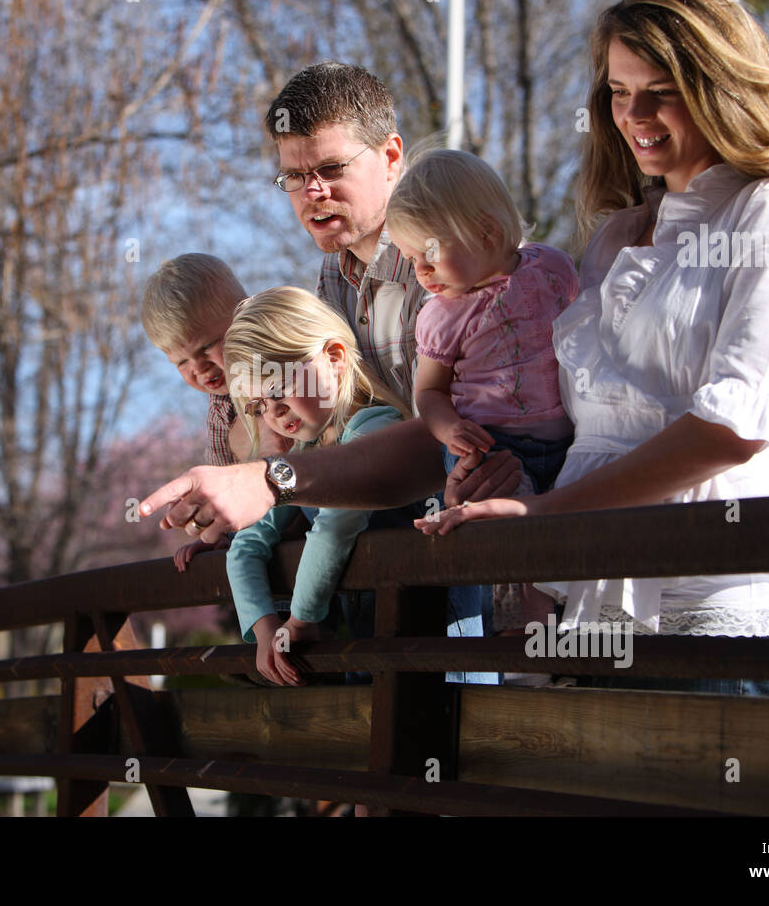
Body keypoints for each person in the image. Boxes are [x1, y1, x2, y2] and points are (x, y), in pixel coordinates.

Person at [415, 0, 769, 697]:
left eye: (662, 89)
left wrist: (545, 516)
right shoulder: (616, 236)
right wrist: (509, 473)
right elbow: (586, 422)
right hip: (588, 620)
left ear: (719, 87)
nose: (637, 115)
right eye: (618, 92)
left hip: (713, 619)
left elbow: (735, 425)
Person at [140, 64, 523, 556]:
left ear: (390, 156)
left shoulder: (456, 258)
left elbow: (467, 440)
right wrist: (249, 529)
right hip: (410, 554)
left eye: (331, 169)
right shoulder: (330, 285)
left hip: (507, 542)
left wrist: (271, 480)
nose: (312, 192)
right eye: (294, 177)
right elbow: (332, 440)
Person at [385, 148, 579, 682]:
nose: (419, 272)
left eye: (427, 254)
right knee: (492, 544)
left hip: (564, 440)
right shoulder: (440, 316)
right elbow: (428, 393)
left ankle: (543, 651)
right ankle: (492, 666)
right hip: (486, 442)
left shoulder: (552, 269)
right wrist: (449, 429)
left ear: (488, 233)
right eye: (409, 259)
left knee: (549, 541)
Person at [219, 287, 411, 686]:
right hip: (368, 639)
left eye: (276, 390)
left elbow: (337, 523)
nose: (274, 413)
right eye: (258, 408)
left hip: (429, 628)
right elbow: (248, 543)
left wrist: (302, 619)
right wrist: (264, 628)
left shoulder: (377, 429)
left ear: (335, 357)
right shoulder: (301, 458)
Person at [140, 253, 288, 570]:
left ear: (245, 314)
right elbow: (223, 479)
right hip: (267, 539)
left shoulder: (285, 368)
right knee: (245, 566)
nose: (199, 369)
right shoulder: (220, 412)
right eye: (181, 362)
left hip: (319, 511)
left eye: (207, 346)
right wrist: (221, 532)